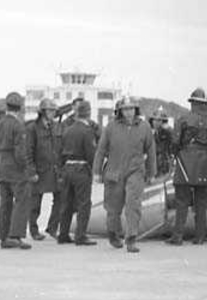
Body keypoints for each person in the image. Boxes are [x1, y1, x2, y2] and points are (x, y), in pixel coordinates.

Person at [93, 96, 156, 253]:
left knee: (133, 204)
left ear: (136, 110)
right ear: (120, 111)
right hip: (114, 172)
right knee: (113, 208)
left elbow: (151, 150)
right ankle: (113, 234)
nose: (129, 112)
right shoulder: (111, 127)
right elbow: (100, 150)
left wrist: (151, 172)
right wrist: (96, 172)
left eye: (131, 109)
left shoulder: (144, 127)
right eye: (125, 109)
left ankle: (131, 238)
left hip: (135, 171)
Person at [169, 86, 207, 245]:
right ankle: (200, 237)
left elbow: (175, 143)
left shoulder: (184, 119)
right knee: (201, 203)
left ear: (193, 102)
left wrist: (177, 153)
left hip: (186, 162)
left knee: (182, 201)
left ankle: (177, 236)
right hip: (206, 164)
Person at [0, 91, 32, 249]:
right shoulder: (18, 126)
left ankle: (4, 237)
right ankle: (16, 235)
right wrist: (26, 169)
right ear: (20, 108)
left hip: (2, 166)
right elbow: (20, 153)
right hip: (15, 168)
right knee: (22, 200)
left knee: (5, 203)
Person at [55, 98, 99, 245]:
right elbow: (91, 154)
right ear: (88, 113)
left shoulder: (67, 130)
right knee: (83, 204)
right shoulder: (87, 131)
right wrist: (96, 171)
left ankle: (63, 234)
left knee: (66, 203)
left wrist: (61, 170)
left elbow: (59, 152)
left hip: (67, 168)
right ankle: (80, 236)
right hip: (81, 169)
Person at [26, 99, 62, 240]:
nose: (53, 113)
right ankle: (34, 230)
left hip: (53, 170)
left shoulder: (55, 127)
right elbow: (28, 151)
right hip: (39, 171)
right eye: (50, 111)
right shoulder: (32, 129)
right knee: (35, 203)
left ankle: (52, 228)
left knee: (60, 198)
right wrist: (31, 171)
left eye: (54, 111)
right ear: (43, 112)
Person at [149, 106, 175, 178]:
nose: (156, 122)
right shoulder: (151, 133)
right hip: (154, 165)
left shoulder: (167, 132)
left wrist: (168, 130)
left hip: (165, 164)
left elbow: (174, 142)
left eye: (159, 120)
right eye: (154, 120)